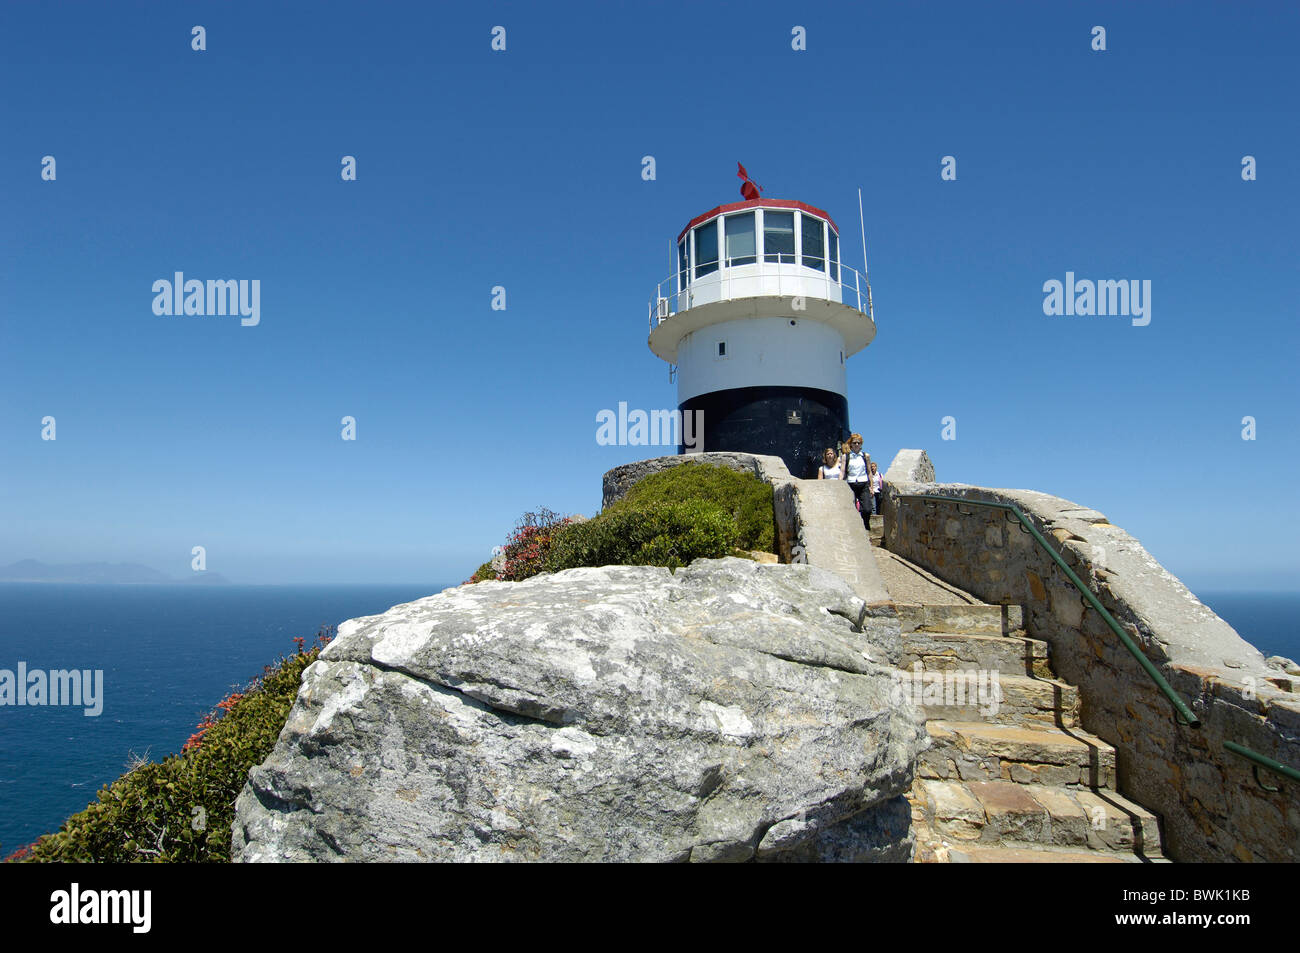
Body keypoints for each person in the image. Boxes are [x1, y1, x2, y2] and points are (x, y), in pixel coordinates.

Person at [843, 433, 871, 527]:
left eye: (859, 443)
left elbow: (869, 471)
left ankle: (865, 524)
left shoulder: (865, 456)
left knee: (867, 509)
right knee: (852, 508)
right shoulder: (846, 457)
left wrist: (871, 486)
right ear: (851, 444)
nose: (857, 445)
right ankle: (854, 526)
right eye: (854, 443)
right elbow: (842, 471)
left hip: (863, 483)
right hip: (851, 483)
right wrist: (839, 483)